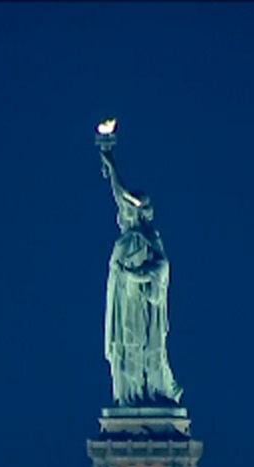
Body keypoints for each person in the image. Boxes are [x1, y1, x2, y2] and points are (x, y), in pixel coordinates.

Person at [99, 149, 183, 407]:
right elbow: (119, 194)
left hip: (143, 303)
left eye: (131, 209)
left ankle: (147, 391)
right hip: (123, 300)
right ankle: (129, 394)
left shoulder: (148, 238)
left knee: (142, 344)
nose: (125, 212)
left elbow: (162, 266)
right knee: (125, 346)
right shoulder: (128, 238)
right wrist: (110, 163)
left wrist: (135, 275)